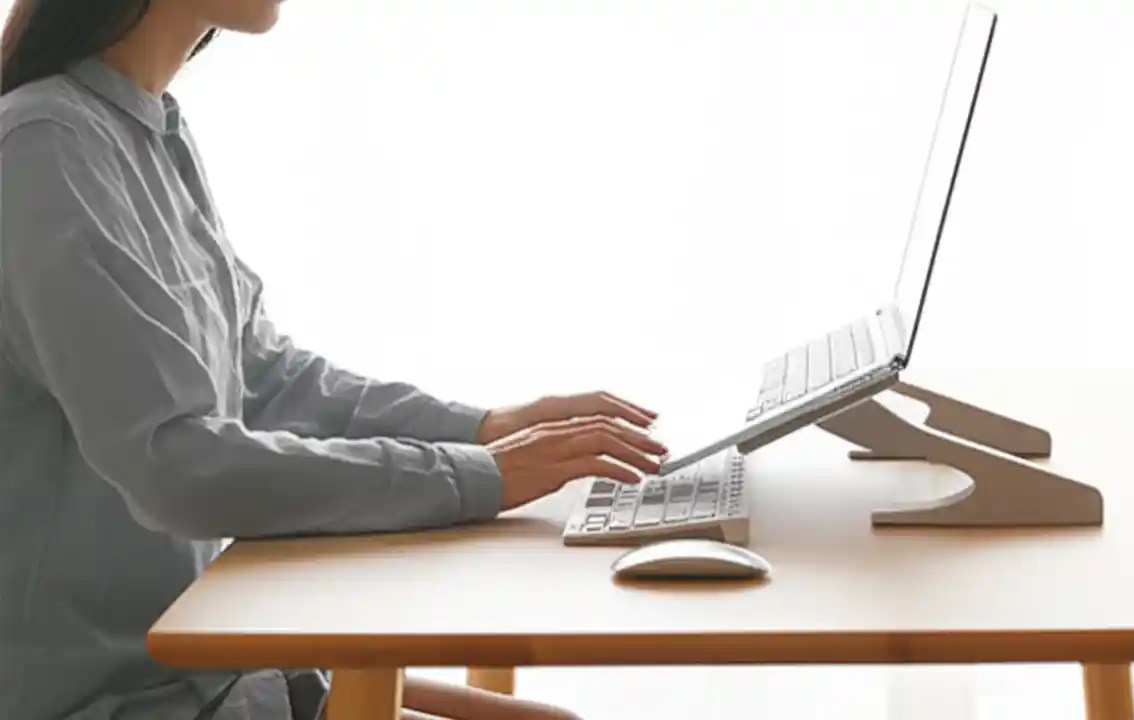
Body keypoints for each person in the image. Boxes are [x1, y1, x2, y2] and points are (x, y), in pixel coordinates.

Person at [0, 1, 667, 719]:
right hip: (112, 701)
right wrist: (477, 477)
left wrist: (483, 430)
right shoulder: (45, 146)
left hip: (207, 676)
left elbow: (262, 376)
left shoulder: (147, 132)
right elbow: (176, 464)